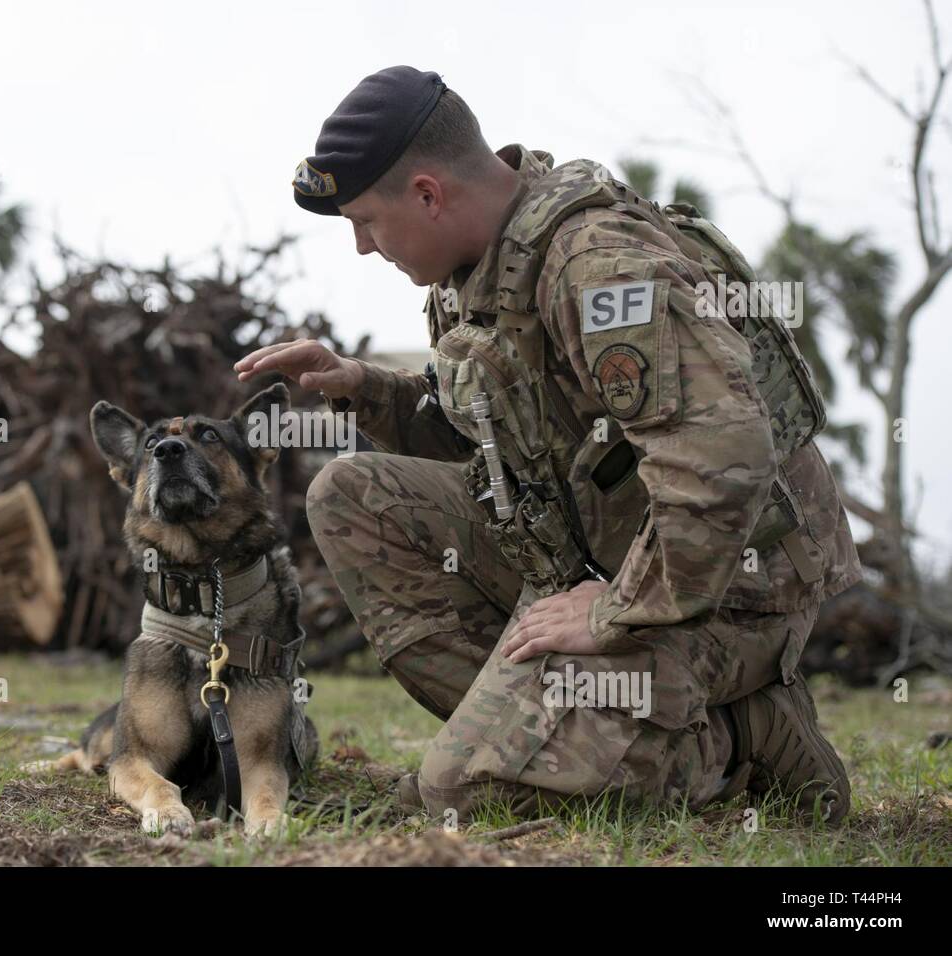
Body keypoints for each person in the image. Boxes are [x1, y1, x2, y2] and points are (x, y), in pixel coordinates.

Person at [235, 65, 862, 826]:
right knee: (350, 497)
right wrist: (361, 386)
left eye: (366, 221)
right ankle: (559, 729)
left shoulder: (597, 266)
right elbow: (489, 442)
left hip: (733, 588)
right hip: (603, 559)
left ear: (429, 194)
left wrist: (618, 611)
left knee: (464, 794)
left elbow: (722, 455)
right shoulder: (472, 275)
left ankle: (734, 735)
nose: (364, 247)